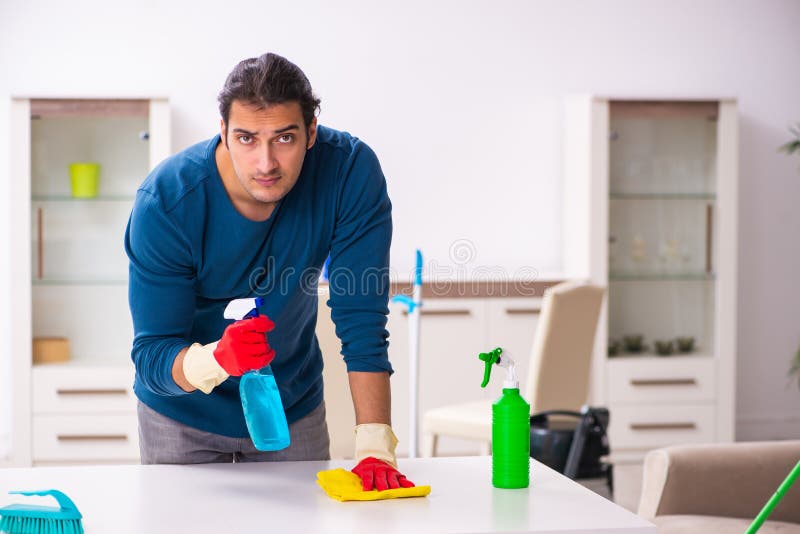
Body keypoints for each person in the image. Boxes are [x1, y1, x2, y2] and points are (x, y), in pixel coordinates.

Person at [125, 52, 413, 490]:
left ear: (311, 132)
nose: (265, 163)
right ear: (223, 131)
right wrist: (216, 359)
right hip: (182, 416)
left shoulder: (347, 172)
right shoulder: (168, 202)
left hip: (290, 410)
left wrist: (375, 445)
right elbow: (152, 355)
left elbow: (362, 320)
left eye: (284, 138)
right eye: (246, 138)